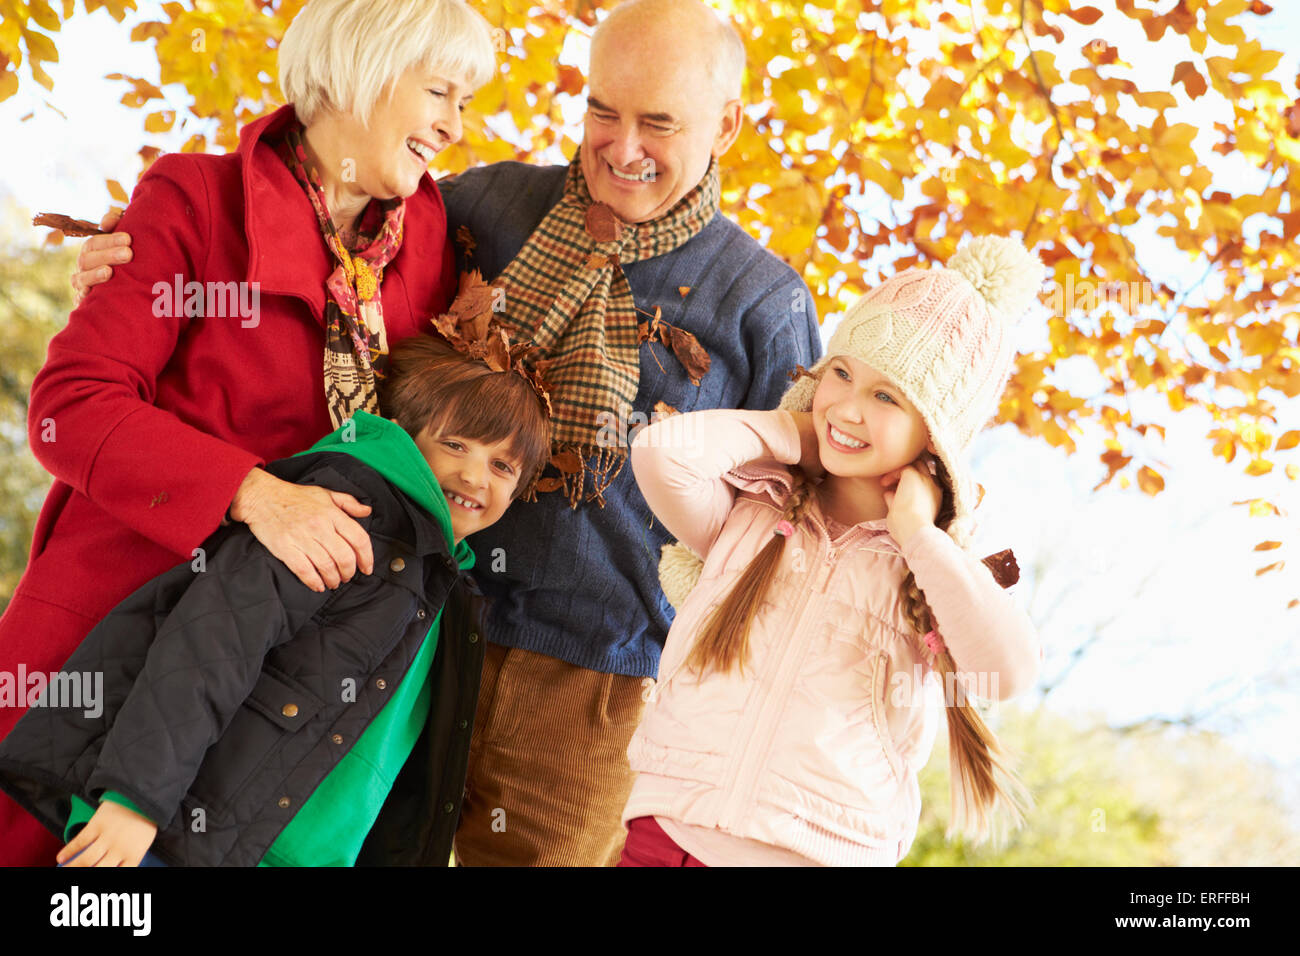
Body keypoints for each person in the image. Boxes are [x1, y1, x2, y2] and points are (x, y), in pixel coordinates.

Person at [73, 0, 823, 867]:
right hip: (396, 621)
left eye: (659, 123)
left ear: (726, 123)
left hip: (589, 680)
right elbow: (335, 226)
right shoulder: (483, 206)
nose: (623, 147)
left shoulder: (766, 304)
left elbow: (792, 528)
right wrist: (141, 255)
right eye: (602, 112)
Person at [0, 0, 497, 866]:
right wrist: (252, 494)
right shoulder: (192, 198)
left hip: (269, 691)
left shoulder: (429, 244)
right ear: (365, 70)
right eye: (441, 92)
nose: (455, 126)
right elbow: (71, 405)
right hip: (114, 637)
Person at [0, 326, 552, 867]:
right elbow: (210, 644)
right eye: (455, 444)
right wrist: (132, 801)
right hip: (172, 837)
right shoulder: (343, 510)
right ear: (407, 435)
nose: (475, 475)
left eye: (502, 465)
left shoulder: (452, 598)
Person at [618, 236, 1043, 866]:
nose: (846, 407)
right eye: (842, 373)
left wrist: (922, 536)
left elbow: (1008, 673)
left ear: (937, 433)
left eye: (886, 396)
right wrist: (794, 430)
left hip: (818, 852)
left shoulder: (928, 572)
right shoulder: (753, 510)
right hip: (670, 834)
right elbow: (659, 453)